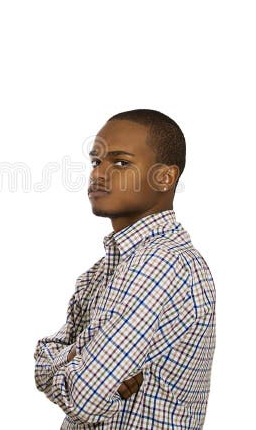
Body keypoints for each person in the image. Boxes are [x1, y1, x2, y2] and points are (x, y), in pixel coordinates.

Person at [34, 109, 215, 429]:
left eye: (120, 162)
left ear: (165, 177)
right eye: (96, 161)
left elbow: (83, 399)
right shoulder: (104, 270)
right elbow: (44, 359)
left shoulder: (158, 265)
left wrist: (70, 361)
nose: (99, 174)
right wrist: (76, 359)